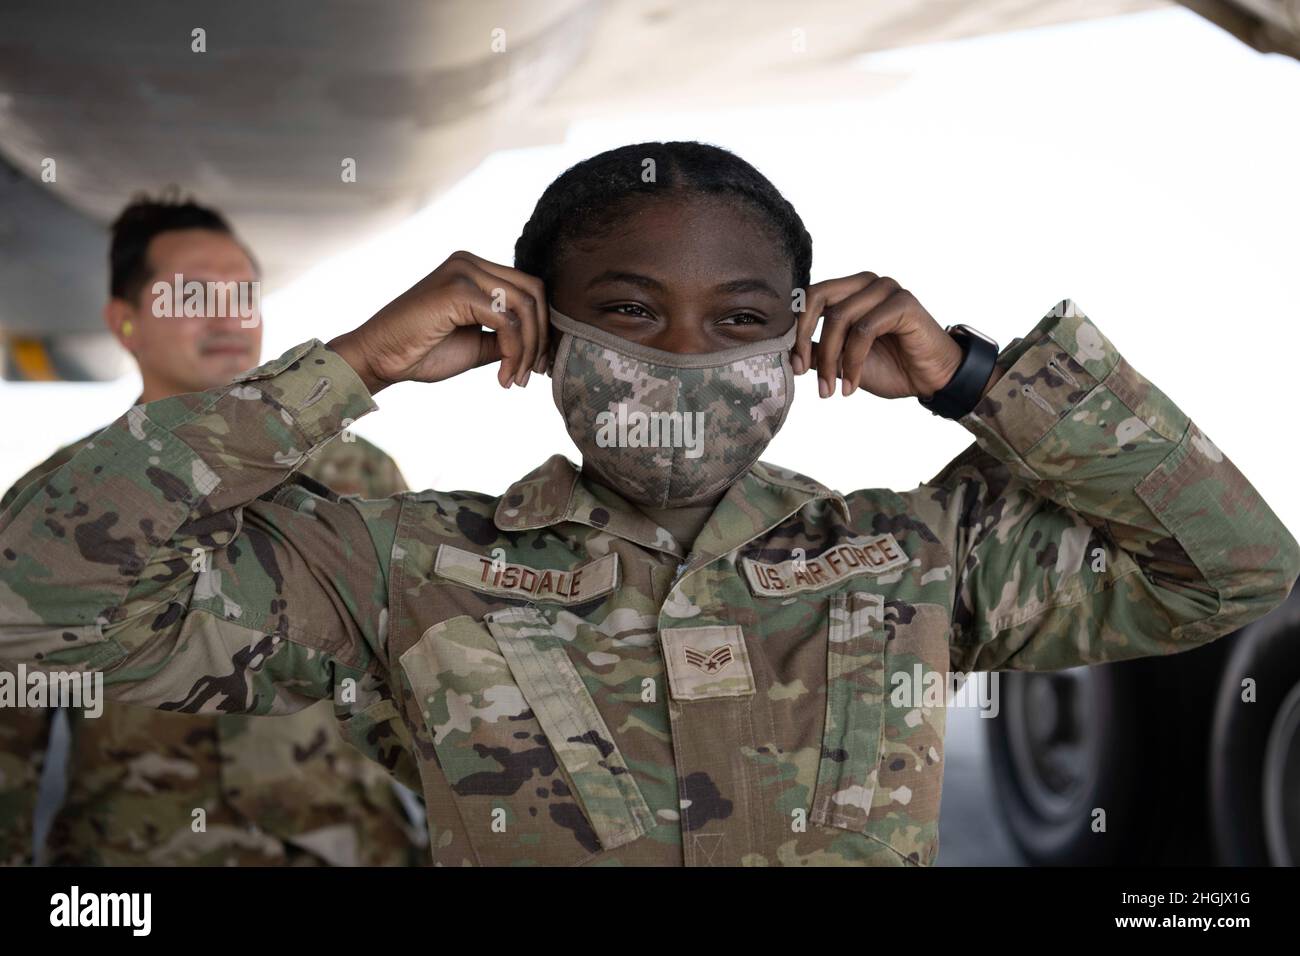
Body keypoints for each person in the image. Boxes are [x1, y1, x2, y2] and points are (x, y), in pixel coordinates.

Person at [1, 142, 1296, 866]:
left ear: (801, 343)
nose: (682, 354)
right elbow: (35, 608)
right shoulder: (402, 568)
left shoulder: (911, 558)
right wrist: (355, 364)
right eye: (627, 310)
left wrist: (978, 378)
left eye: (739, 319)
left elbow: (1232, 567)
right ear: (536, 335)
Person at [0, 195, 424, 867]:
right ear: (126, 322)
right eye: (193, 296)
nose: (229, 317)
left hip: (347, 847)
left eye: (243, 295)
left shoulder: (356, 472)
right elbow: (10, 725)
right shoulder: (61, 496)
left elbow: (415, 677)